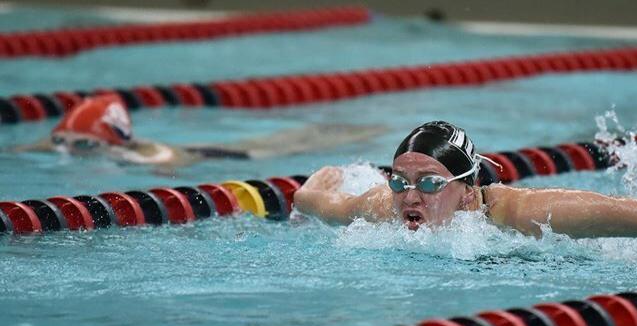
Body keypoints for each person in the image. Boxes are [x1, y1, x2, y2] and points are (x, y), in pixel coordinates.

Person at [295, 120, 637, 239]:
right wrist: (330, 174)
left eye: (430, 184)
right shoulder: (383, 208)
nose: (410, 196)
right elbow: (313, 198)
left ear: (467, 188)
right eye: (399, 181)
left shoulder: (532, 215)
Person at [11, 94, 387, 170]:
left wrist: (167, 169)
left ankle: (359, 129)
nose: (69, 150)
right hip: (198, 144)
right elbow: (47, 142)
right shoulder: (65, 142)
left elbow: (171, 159)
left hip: (218, 153)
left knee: (282, 146)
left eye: (85, 144)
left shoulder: (139, 152)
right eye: (64, 142)